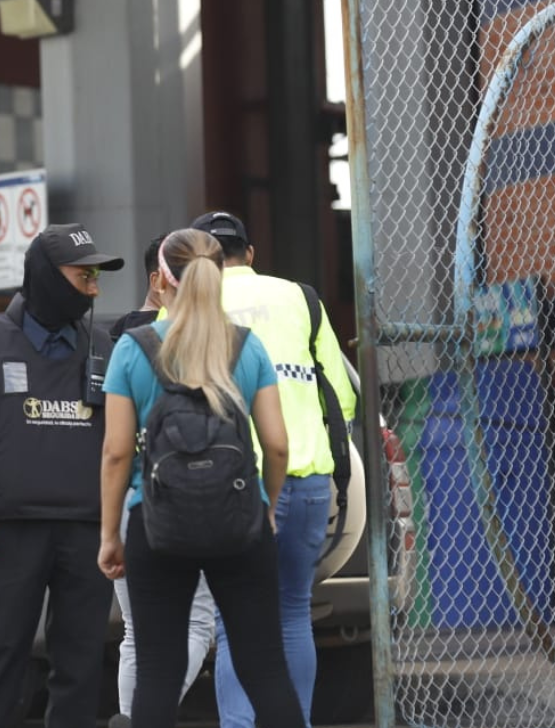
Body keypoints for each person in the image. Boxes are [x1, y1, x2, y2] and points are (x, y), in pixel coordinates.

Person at [97, 228, 305, 728]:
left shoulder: (134, 348)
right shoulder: (247, 347)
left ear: (161, 281)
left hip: (156, 521)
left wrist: (109, 534)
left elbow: (116, 453)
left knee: (158, 672)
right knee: (265, 669)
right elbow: (277, 443)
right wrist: (267, 507)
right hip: (241, 520)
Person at [0, 223, 124, 728]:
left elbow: (123, 438)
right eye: (84, 277)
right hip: (7, 532)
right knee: (0, 661)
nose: (94, 290)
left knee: (82, 666)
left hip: (86, 530)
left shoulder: (102, 345)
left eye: (96, 278)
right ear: (48, 276)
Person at [190, 211, 358, 728]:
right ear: (250, 253)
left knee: (234, 619)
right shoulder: (301, 299)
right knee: (292, 614)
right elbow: (342, 397)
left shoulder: (193, 303)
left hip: (233, 483)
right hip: (308, 480)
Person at [107, 233, 216, 728]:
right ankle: (149, 718)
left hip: (137, 499)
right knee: (196, 622)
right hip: (205, 497)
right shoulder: (222, 339)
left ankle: (136, 718)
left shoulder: (124, 342)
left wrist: (107, 528)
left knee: (137, 631)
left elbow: (114, 447)